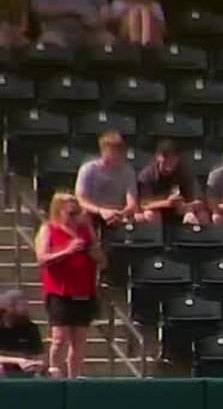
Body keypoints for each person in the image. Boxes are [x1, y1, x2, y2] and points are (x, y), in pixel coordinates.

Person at [35, 192, 103, 379]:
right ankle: (54, 371)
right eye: (70, 213)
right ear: (59, 212)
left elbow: (102, 261)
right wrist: (67, 250)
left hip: (83, 291)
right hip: (59, 291)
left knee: (79, 339)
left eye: (77, 212)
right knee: (59, 337)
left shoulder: (85, 231)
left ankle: (75, 376)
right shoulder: (49, 229)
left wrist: (91, 250)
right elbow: (42, 258)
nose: (75, 217)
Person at [74, 130, 140, 227]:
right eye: (113, 151)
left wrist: (121, 213)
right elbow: (81, 200)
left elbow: (132, 203)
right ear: (103, 151)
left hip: (118, 214)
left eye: (119, 151)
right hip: (93, 212)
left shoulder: (128, 171)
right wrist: (101, 211)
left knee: (143, 217)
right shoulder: (88, 169)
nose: (118, 154)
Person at [137, 140, 211, 226]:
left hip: (181, 210)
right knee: (150, 214)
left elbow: (199, 200)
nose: (169, 161)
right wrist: (168, 203)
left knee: (203, 215)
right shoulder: (147, 174)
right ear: (157, 157)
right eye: (165, 157)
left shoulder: (184, 172)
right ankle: (157, 239)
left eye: (172, 158)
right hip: (159, 210)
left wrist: (188, 208)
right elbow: (143, 204)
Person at [0, 288, 44, 377]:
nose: (25, 308)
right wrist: (18, 360)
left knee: (54, 372)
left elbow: (40, 355)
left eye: (26, 305)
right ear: (8, 306)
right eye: (21, 305)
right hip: (5, 367)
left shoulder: (31, 328)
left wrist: (37, 363)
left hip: (26, 367)